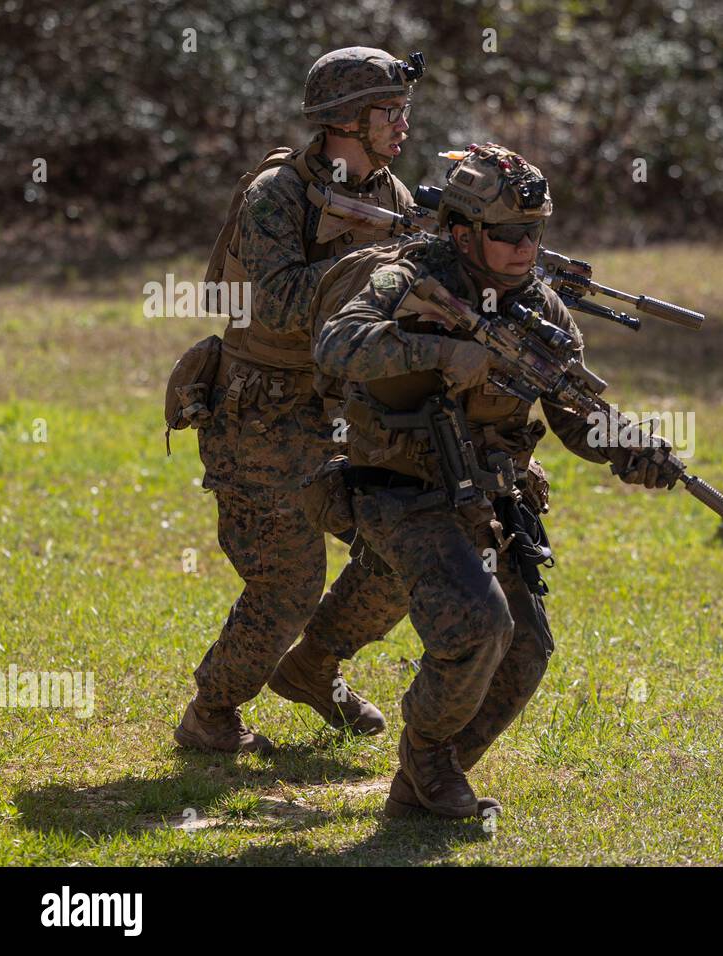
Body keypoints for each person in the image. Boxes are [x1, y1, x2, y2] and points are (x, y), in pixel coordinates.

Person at [312, 143, 684, 817]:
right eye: (509, 233)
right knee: (478, 628)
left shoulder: (543, 311)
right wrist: (448, 353)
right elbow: (338, 343)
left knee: (527, 652)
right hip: (397, 488)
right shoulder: (407, 278)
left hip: (487, 495)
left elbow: (576, 416)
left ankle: (423, 788)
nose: (524, 247)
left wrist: (632, 449)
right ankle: (426, 757)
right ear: (463, 233)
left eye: (535, 233)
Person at [175, 47, 425, 754]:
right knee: (287, 583)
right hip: (259, 411)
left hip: (344, 408)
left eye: (403, 109)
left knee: (406, 549)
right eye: (390, 111)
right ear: (348, 119)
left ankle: (313, 668)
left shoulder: (393, 195)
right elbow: (279, 302)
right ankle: (212, 713)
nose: (403, 123)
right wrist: (374, 267)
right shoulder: (276, 196)